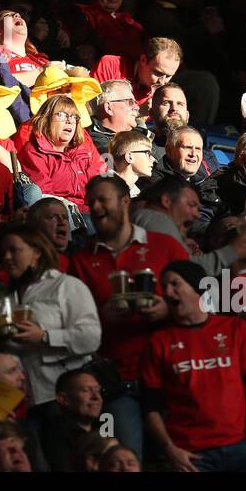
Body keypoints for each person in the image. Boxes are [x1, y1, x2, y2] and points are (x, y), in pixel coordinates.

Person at [68, 175, 188, 456]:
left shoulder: (165, 246)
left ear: (125, 202)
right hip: (117, 380)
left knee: (182, 458)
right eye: (91, 202)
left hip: (170, 375)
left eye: (102, 200)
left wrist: (166, 309)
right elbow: (74, 322)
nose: (95, 207)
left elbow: (199, 301)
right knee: (125, 459)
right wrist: (103, 315)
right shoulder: (81, 260)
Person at [142, 260, 246, 472]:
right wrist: (169, 448)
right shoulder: (159, 341)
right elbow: (150, 405)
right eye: (165, 287)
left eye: (175, 284)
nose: (168, 292)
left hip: (240, 447)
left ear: (195, 286)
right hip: (191, 454)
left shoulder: (235, 329)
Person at [0, 222, 100, 406]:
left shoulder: (65, 286)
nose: (7, 257)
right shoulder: (4, 297)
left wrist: (45, 337)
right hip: (22, 401)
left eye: (14, 250)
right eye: (3, 252)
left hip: (63, 399)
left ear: (37, 252)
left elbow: (91, 337)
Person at [18, 94, 107, 212]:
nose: (70, 121)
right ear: (46, 119)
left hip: (89, 210)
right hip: (60, 214)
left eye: (74, 117)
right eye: (61, 115)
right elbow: (45, 196)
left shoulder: (83, 151)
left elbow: (100, 184)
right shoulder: (34, 151)